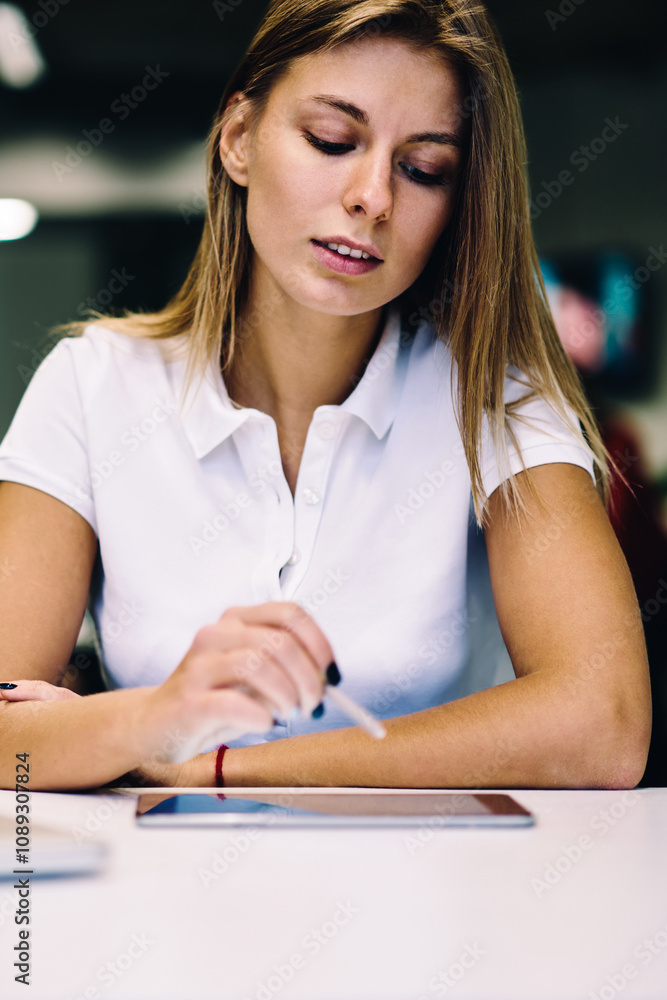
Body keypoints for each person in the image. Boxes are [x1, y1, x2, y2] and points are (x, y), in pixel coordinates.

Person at [0, 0, 651, 792]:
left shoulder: (496, 394)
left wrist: (212, 765)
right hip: (166, 903)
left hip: (446, 902)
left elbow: (603, 726)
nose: (373, 196)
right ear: (237, 139)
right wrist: (153, 717)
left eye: (423, 169)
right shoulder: (92, 384)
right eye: (332, 139)